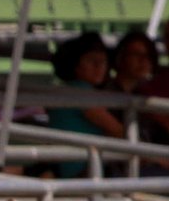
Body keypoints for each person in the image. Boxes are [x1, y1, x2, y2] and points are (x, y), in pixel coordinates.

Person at [44, 32, 124, 178]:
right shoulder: (80, 92)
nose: (99, 67)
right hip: (83, 170)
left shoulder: (66, 90)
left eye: (103, 61)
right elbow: (118, 131)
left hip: (73, 167)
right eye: (92, 60)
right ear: (75, 64)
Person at [111, 29, 165, 146]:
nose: (143, 61)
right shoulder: (107, 92)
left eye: (148, 56)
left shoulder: (151, 93)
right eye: (136, 54)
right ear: (120, 57)